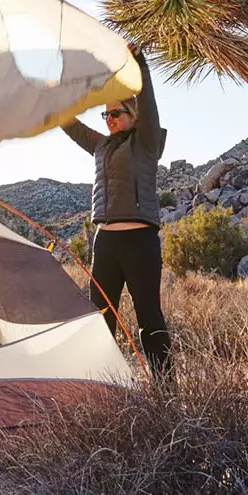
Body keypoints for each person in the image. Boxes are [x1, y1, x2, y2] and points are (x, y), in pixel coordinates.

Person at [61, 43, 171, 376]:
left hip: (140, 242)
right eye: (105, 115)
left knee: (148, 316)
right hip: (105, 243)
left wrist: (140, 63)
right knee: (100, 316)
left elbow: (149, 103)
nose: (108, 120)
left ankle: (165, 389)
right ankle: (102, 385)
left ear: (132, 115)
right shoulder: (102, 145)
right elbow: (72, 127)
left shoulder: (146, 140)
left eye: (115, 114)